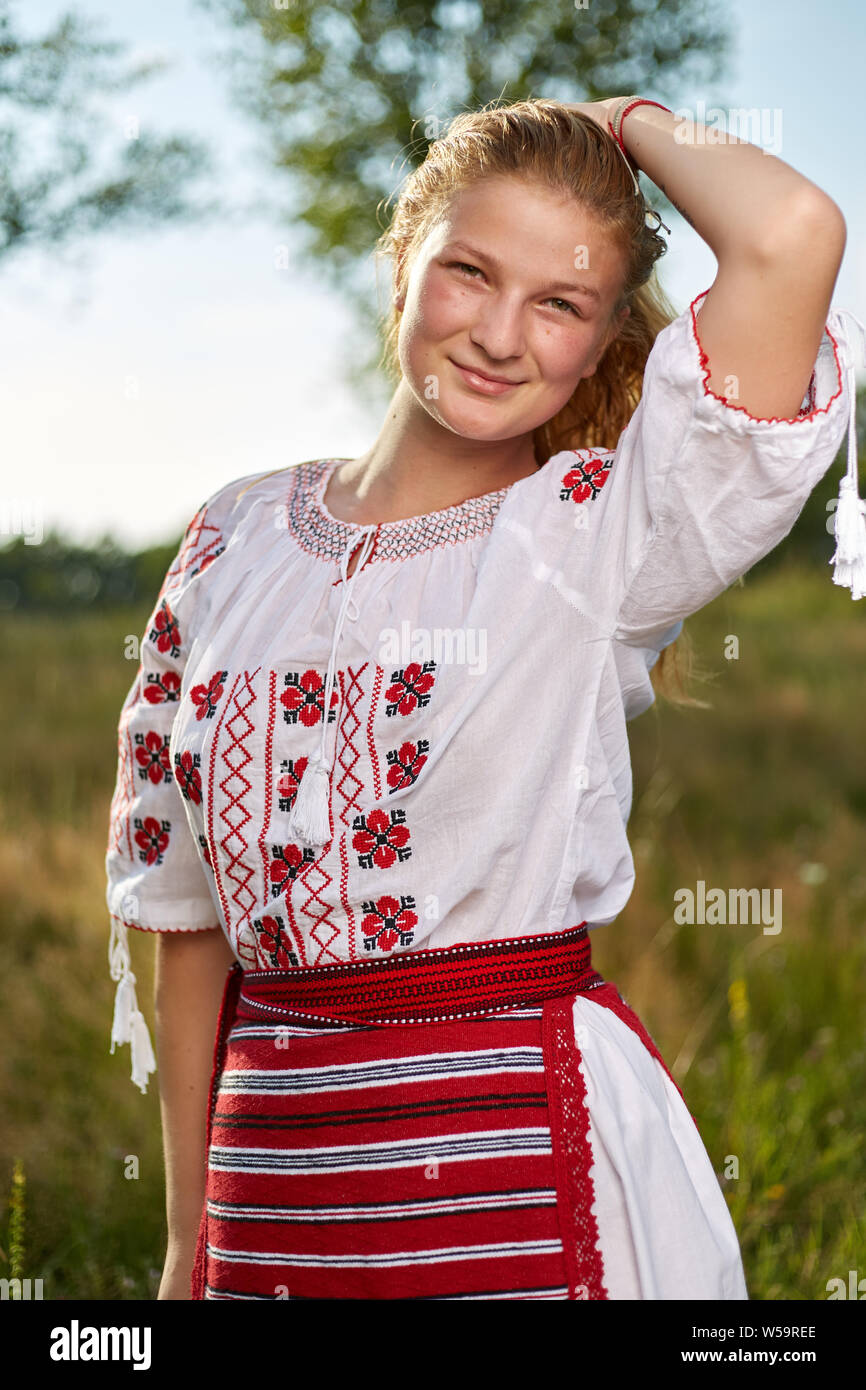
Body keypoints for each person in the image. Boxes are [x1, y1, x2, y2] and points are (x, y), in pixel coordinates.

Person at [105, 95, 864, 1301]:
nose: (501, 336)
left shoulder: (598, 532)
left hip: (519, 1166)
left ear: (604, 338)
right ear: (404, 260)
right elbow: (191, 924)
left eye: (558, 301)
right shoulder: (228, 538)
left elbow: (790, 232)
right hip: (270, 1190)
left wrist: (615, 120)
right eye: (468, 271)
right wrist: (186, 1241)